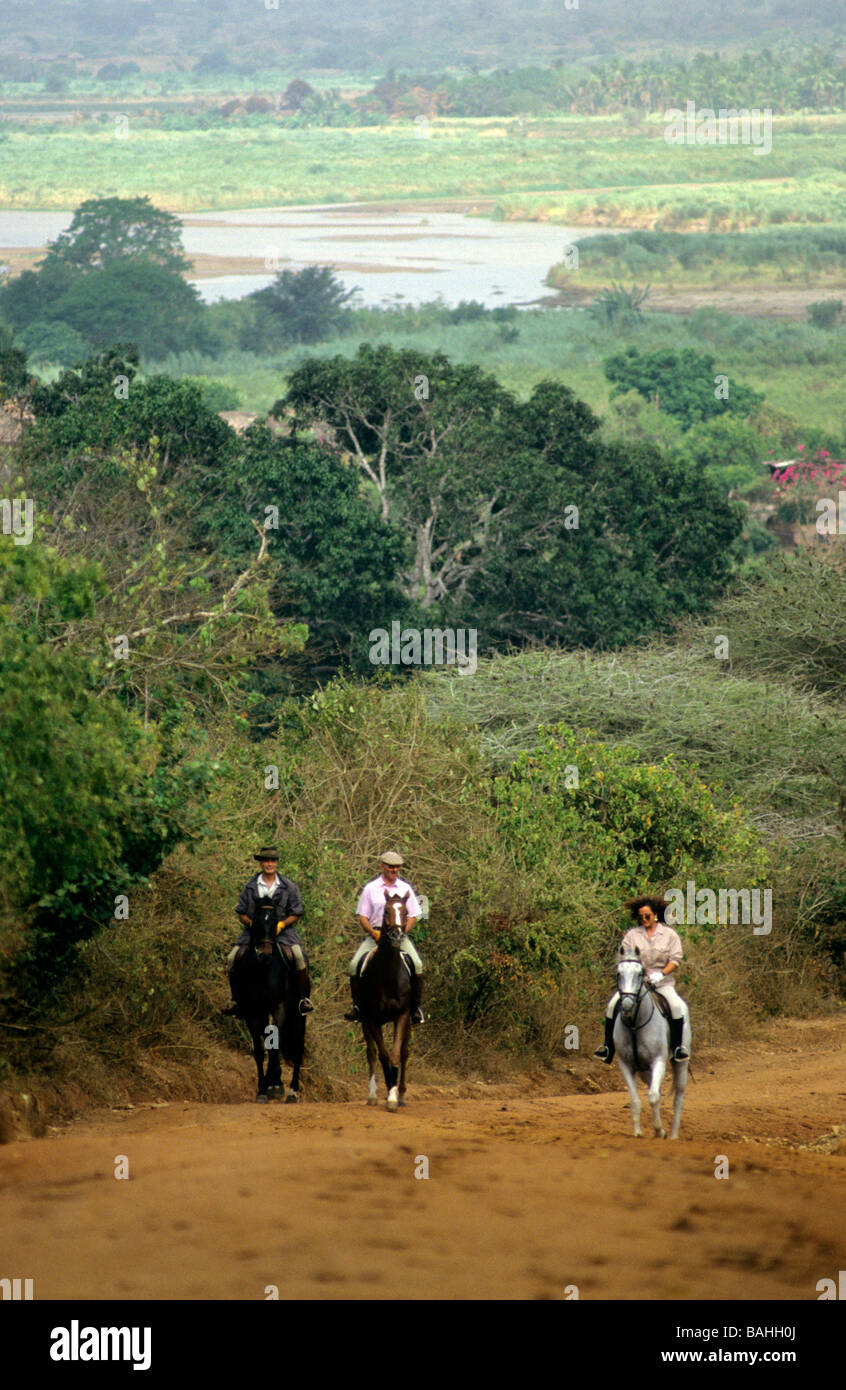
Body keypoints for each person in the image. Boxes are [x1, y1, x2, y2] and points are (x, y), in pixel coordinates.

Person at [594, 896, 689, 1063]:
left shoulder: (669, 935)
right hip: (635, 983)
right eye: (641, 917)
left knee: (676, 1006)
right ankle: (608, 1047)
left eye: (647, 916)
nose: (644, 920)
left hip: (662, 983)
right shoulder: (632, 935)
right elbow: (624, 957)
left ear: (656, 915)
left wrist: (661, 974)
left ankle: (677, 1048)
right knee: (611, 1006)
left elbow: (675, 960)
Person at [223, 846, 313, 1016]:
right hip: (254, 934)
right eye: (266, 860)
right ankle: (235, 1000)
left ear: (277, 863)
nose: (269, 864)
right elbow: (241, 912)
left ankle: (303, 999)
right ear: (261, 863)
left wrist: (282, 924)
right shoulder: (250, 886)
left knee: (299, 956)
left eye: (272, 860)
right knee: (231, 958)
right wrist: (253, 925)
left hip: (283, 933)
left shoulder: (289, 886)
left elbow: (296, 912)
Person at [345, 851, 425, 1024]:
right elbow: (363, 917)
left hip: (399, 936)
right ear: (382, 866)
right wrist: (374, 934)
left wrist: (403, 932)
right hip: (375, 935)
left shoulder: (405, 888)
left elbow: (414, 916)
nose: (394, 870)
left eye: (397, 867)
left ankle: (416, 1008)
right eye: (390, 866)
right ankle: (357, 1007)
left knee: (417, 964)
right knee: (353, 966)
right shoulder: (371, 888)